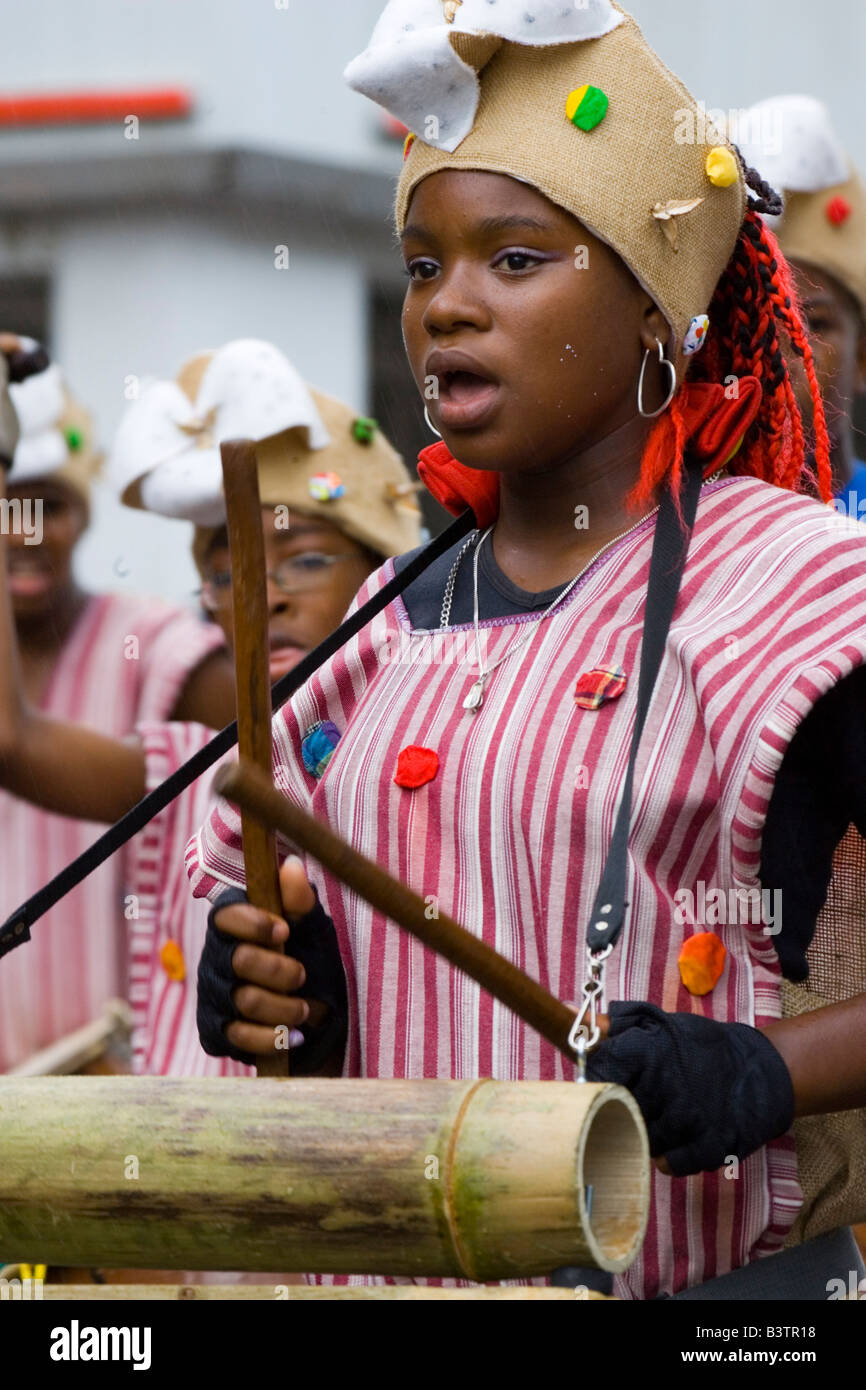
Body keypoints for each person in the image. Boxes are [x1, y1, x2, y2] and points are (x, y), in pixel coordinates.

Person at [189, 2, 866, 1299]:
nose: (446, 307)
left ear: (660, 313)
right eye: (420, 265)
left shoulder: (799, 594)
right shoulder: (375, 627)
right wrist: (298, 1002)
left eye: (512, 260)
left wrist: (763, 1069)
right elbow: (338, 1030)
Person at [0, 338, 422, 1077]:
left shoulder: (434, 765)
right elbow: (12, 742)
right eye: (226, 576)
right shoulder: (205, 773)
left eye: (308, 560)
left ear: (387, 571)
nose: (267, 595)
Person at [0, 339, 236, 1072]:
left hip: (120, 1102)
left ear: (86, 514)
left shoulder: (158, 648)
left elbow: (271, 750)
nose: (23, 532)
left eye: (49, 506)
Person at [739, 96, 866, 509]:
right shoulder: (667, 532)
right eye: (751, 318)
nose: (778, 347)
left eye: (813, 322)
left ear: (862, 356)